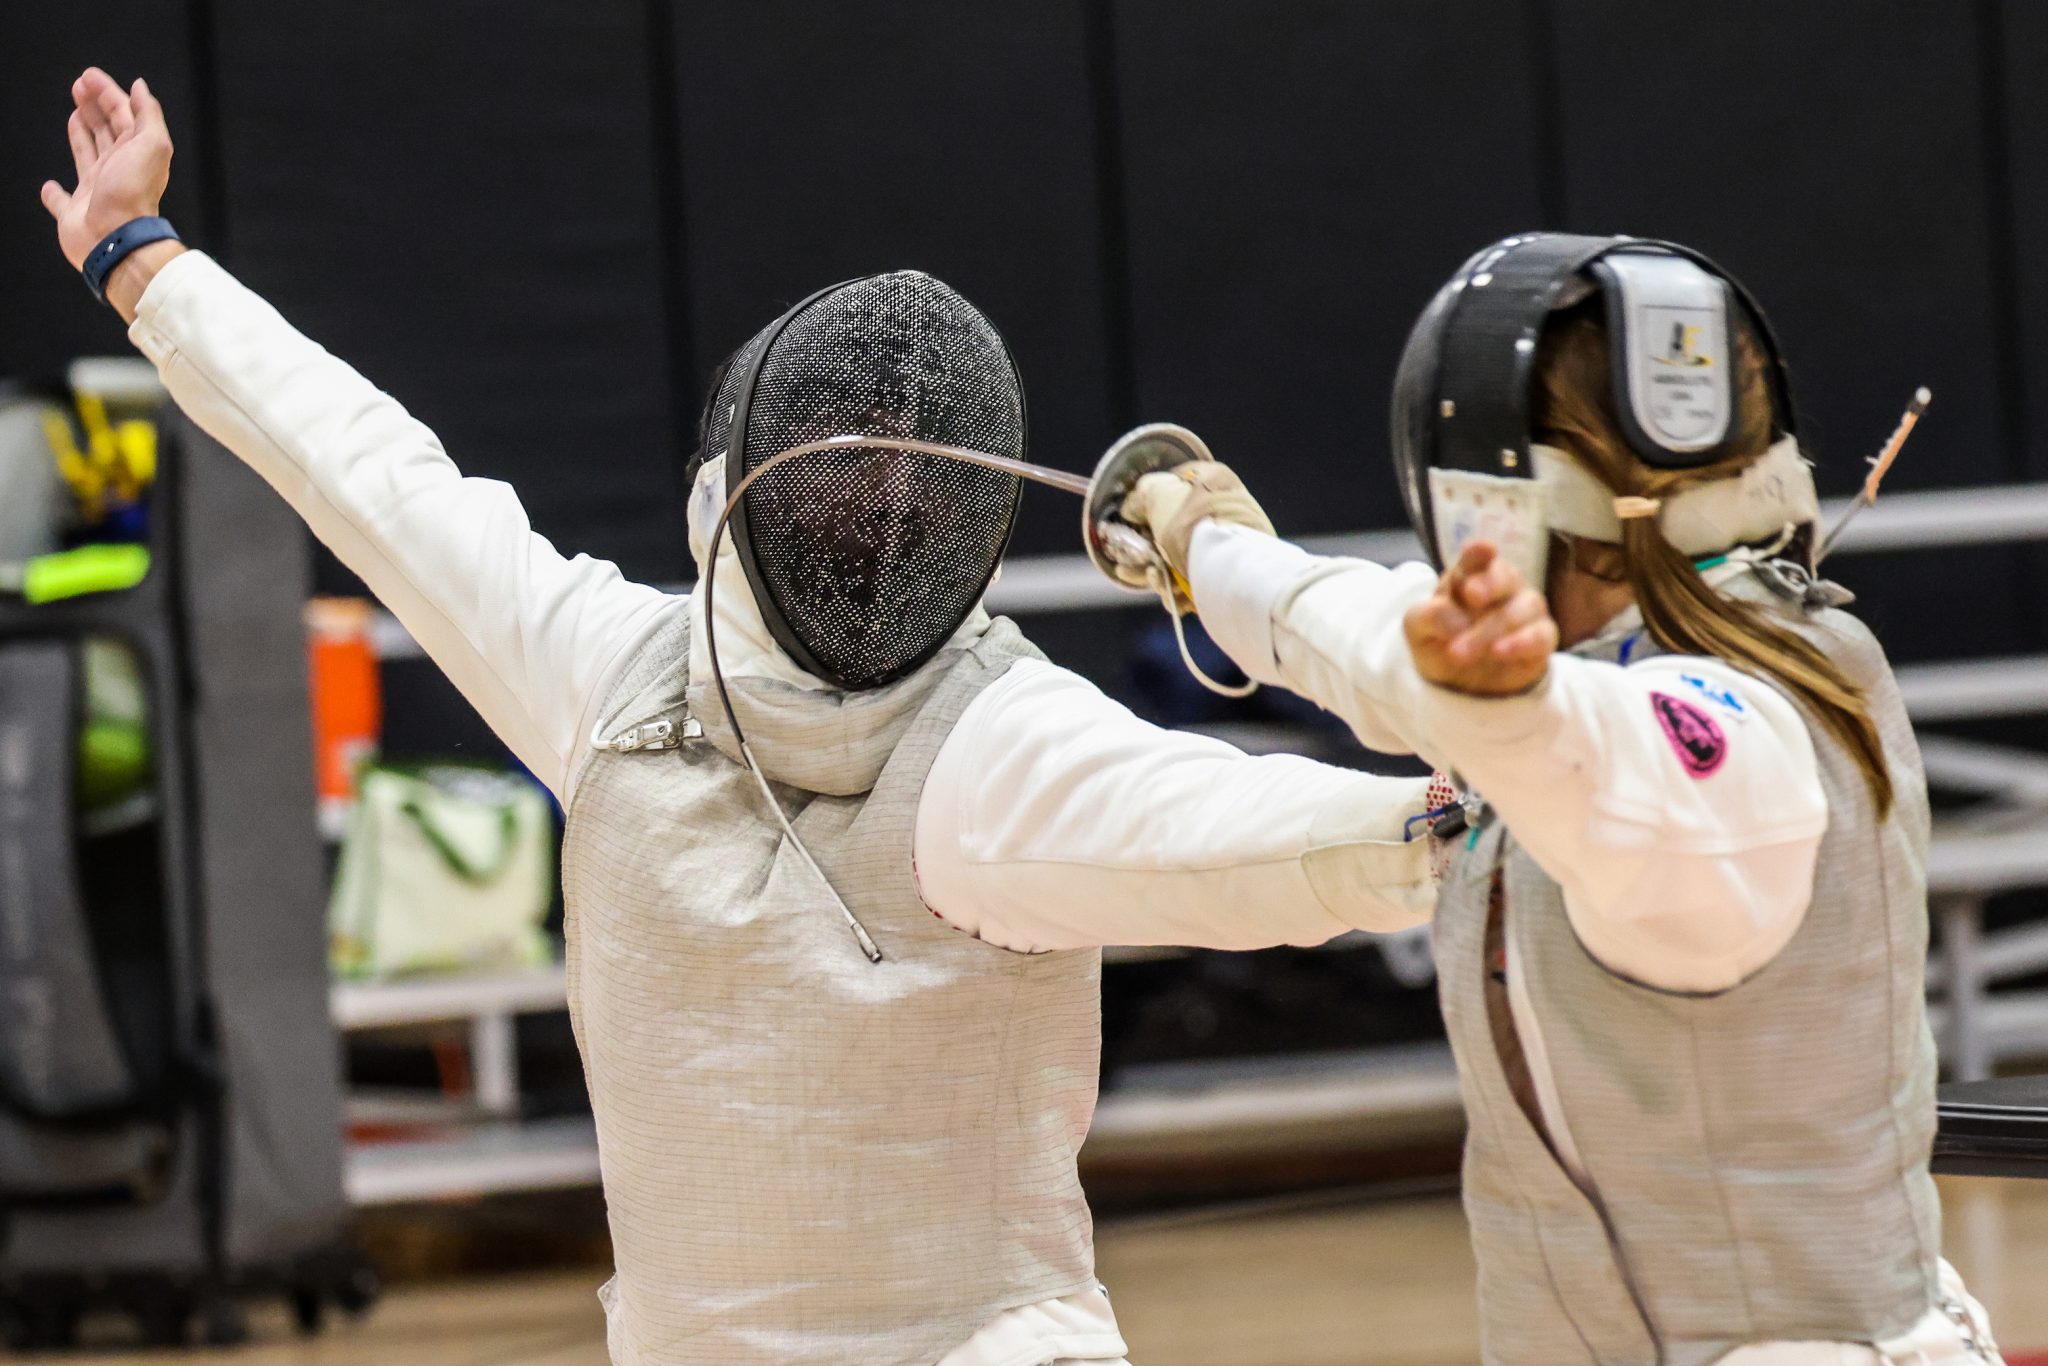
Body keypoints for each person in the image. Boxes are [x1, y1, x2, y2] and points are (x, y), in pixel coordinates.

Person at [40, 69, 1438, 1365]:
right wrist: (1465, 819)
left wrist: (142, 261)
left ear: (721, 494)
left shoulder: (603, 670)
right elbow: (1271, 839)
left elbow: (366, 469)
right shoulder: (989, 744)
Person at [1119, 233, 2003, 1363]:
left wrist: (1518, 709)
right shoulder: (1737, 643)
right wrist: (1207, 546)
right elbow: (1375, 640)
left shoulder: (1729, 730)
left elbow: (1625, 759)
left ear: (1485, 502)